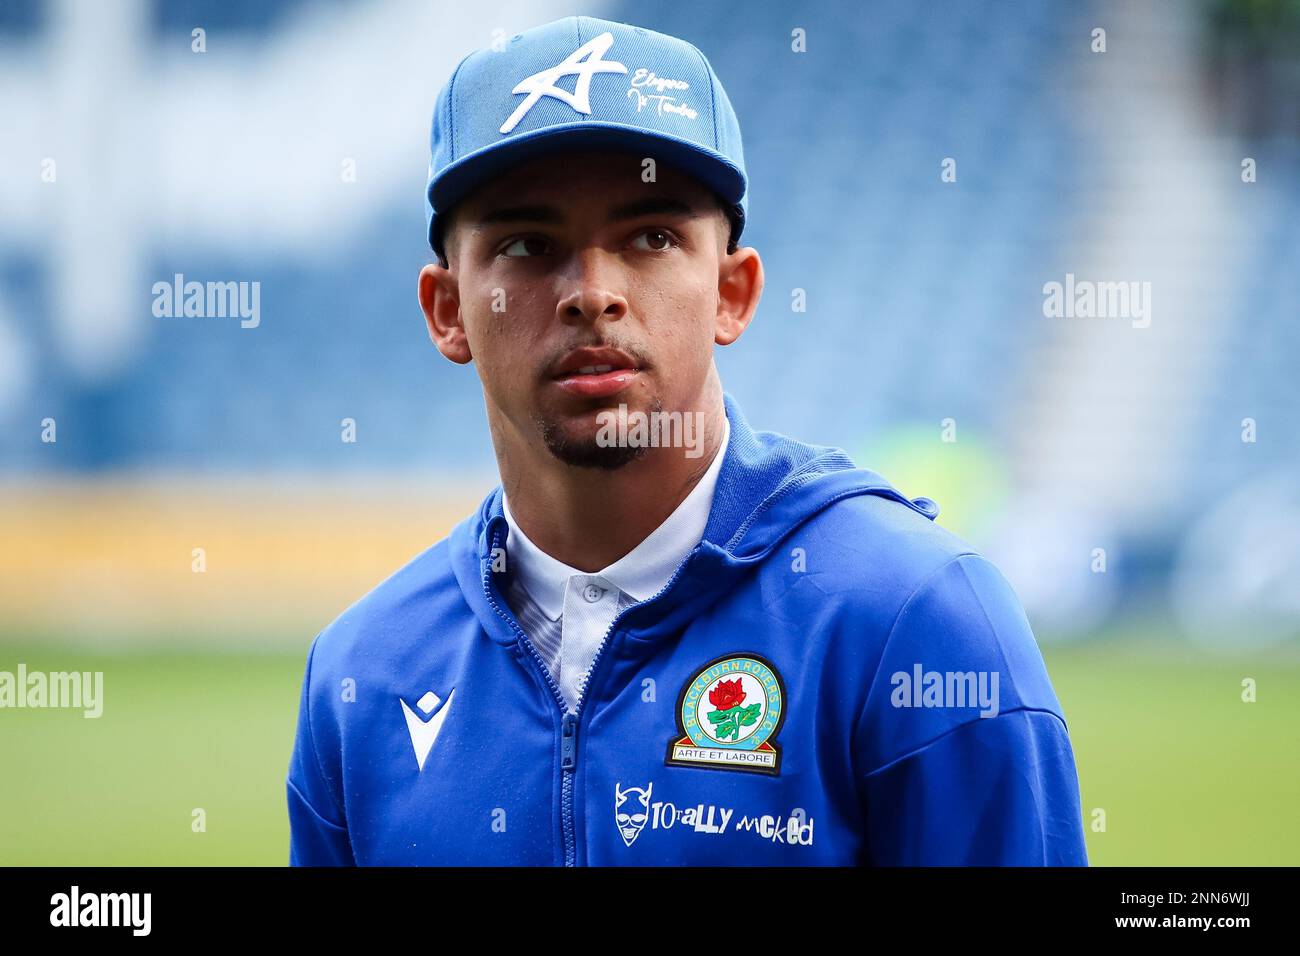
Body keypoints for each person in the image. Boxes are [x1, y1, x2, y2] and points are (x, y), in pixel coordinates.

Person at [286, 14, 1089, 866]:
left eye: (651, 237)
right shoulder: (363, 675)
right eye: (527, 243)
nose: (592, 292)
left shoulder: (917, 621)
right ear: (448, 311)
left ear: (732, 293)